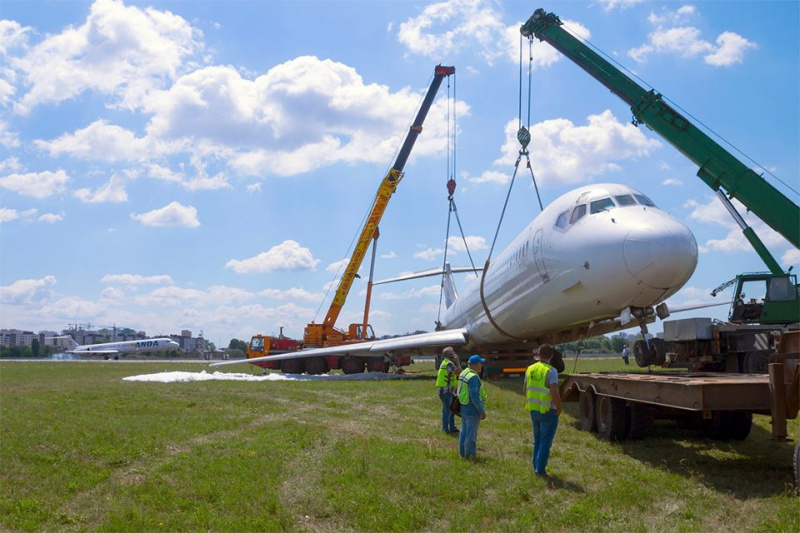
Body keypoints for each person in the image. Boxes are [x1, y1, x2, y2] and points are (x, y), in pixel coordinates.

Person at [524, 344, 562, 477]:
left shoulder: (530, 369)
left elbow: (525, 390)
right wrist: (559, 407)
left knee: (537, 441)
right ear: (551, 356)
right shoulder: (551, 371)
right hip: (548, 410)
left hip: (533, 410)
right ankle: (540, 470)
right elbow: (554, 392)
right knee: (545, 442)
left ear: (538, 354)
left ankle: (536, 466)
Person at [457, 355, 487, 459]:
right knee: (471, 435)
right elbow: (474, 397)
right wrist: (481, 411)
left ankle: (462, 453)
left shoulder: (464, 372)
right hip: (472, 409)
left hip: (463, 406)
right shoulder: (473, 377)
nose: (482, 365)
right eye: (480, 363)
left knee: (464, 432)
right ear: (476, 365)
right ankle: (470, 455)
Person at [435, 346, 461, 434]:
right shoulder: (449, 364)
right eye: (453, 352)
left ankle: (452, 427)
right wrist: (458, 362)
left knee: (451, 410)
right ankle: (445, 429)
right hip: (446, 391)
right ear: (450, 355)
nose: (455, 354)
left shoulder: (446, 362)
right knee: (447, 411)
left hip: (449, 390)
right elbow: (459, 372)